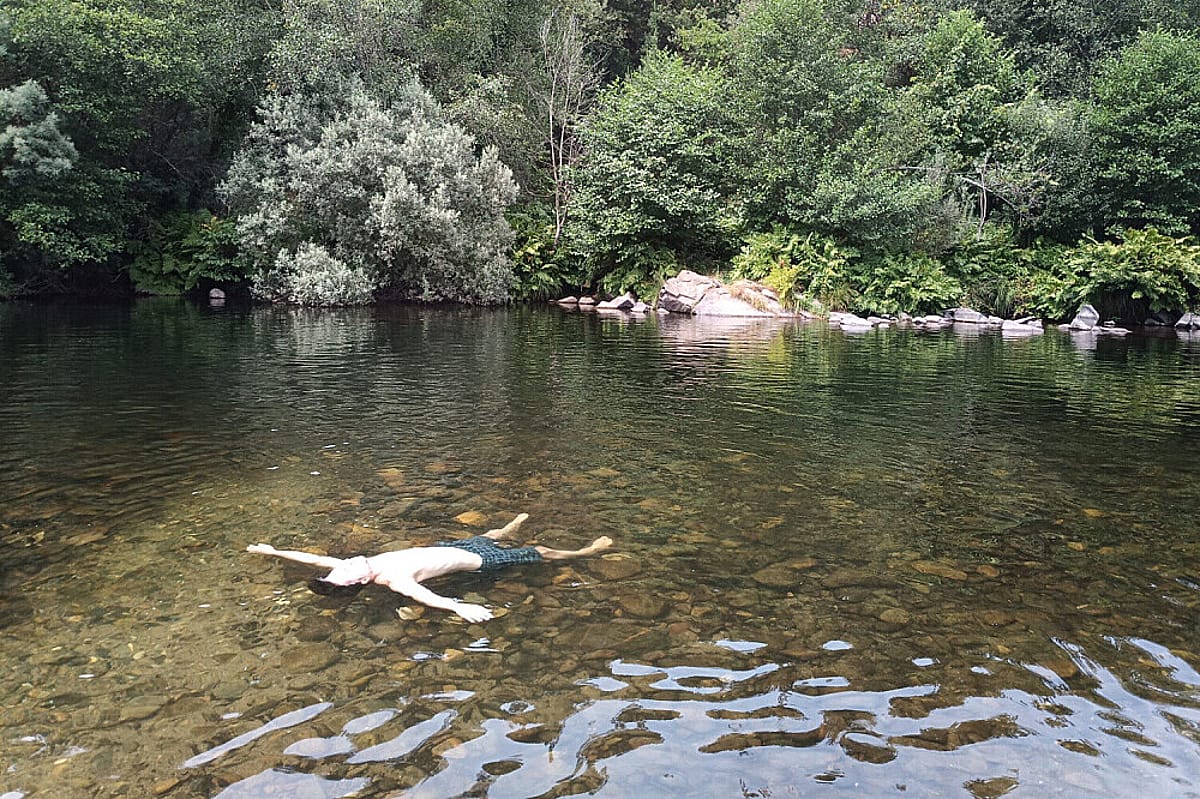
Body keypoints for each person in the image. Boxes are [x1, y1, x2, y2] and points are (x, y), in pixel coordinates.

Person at [246, 513, 613, 622]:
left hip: (450, 548)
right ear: (361, 581)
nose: (344, 563)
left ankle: (507, 529)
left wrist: (273, 550)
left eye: (337, 568)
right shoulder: (394, 581)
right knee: (542, 552)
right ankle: (586, 553)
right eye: (343, 570)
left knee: (486, 534)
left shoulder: (356, 566)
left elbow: (312, 559)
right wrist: (460, 607)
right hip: (479, 565)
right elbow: (427, 595)